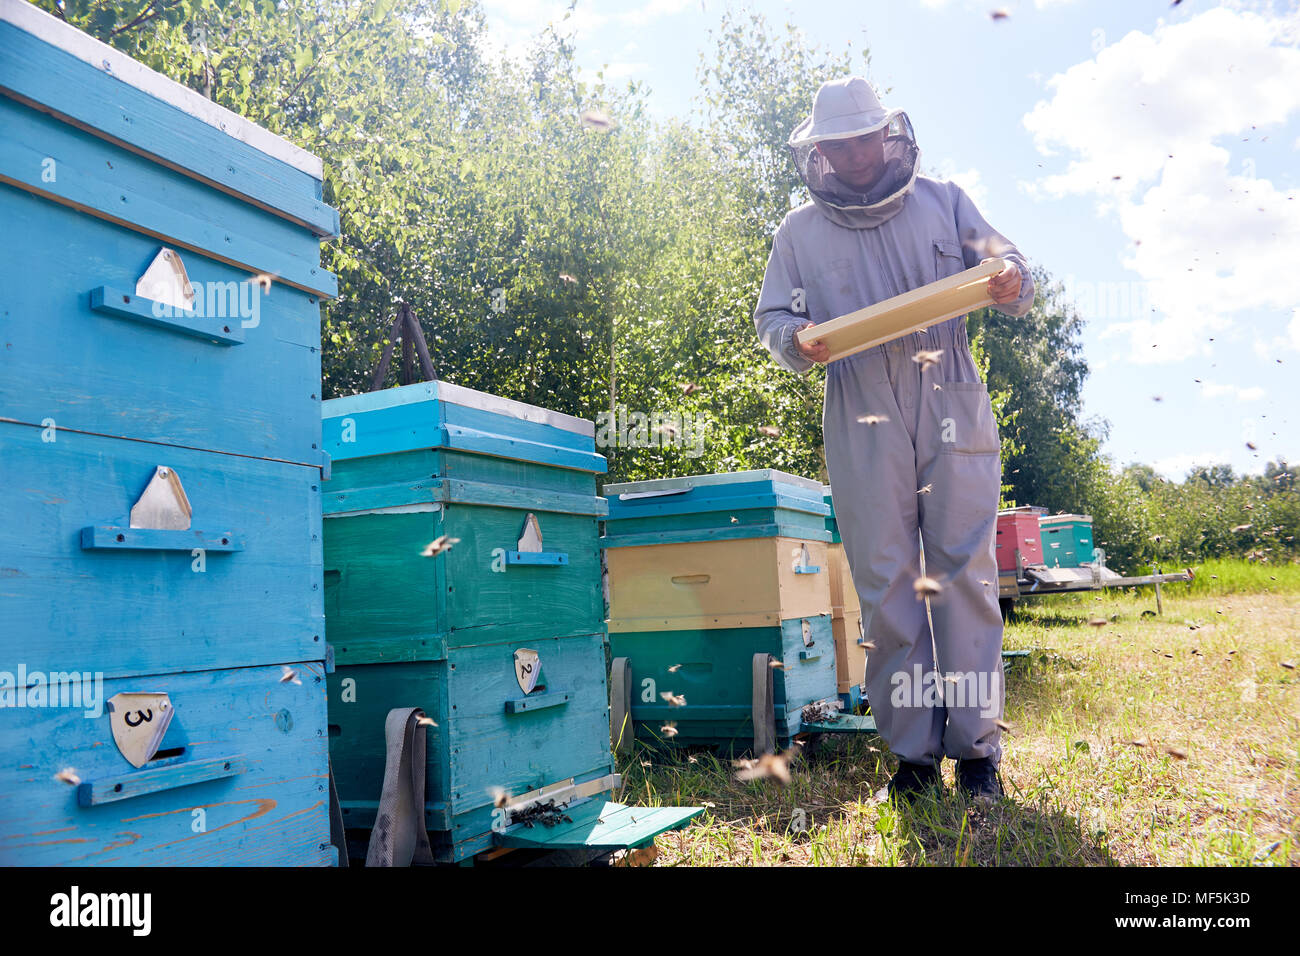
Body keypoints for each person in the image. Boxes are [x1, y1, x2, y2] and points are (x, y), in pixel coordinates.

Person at [753, 76, 1035, 803]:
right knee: (885, 583)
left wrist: (1008, 281)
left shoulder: (945, 199)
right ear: (817, 151)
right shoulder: (797, 231)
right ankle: (912, 756)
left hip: (952, 396)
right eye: (835, 144)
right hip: (859, 404)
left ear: (889, 134)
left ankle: (977, 753)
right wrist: (798, 341)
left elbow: (1011, 267)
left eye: (861, 138)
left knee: (964, 574)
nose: (851, 155)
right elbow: (773, 320)